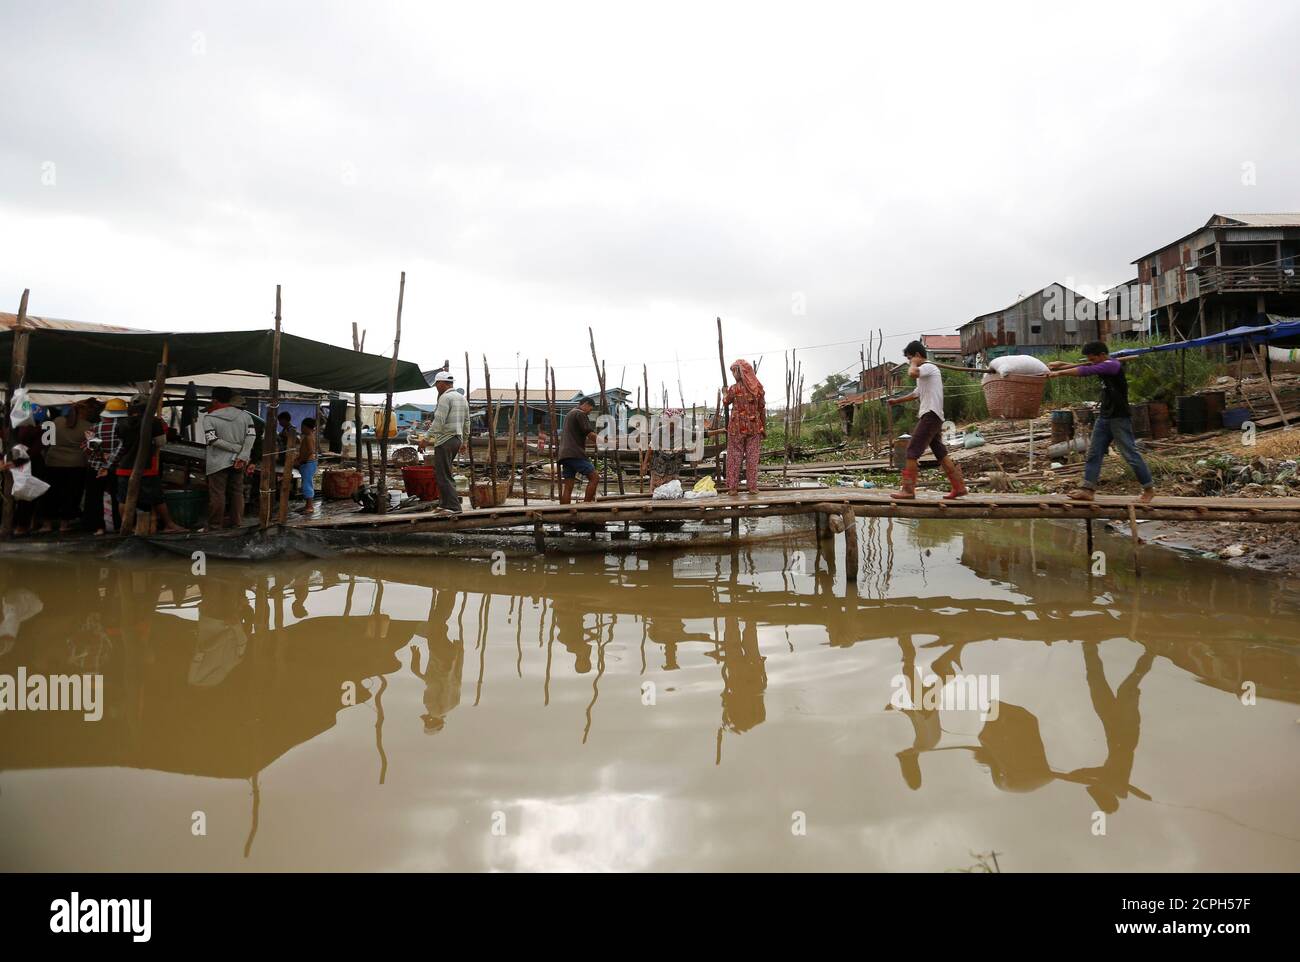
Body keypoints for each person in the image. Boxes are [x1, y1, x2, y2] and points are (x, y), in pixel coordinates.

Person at [1048, 341, 1154, 503]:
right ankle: (1087, 490)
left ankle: (1148, 489)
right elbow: (1087, 366)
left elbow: (1086, 370)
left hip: (1118, 418)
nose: (1091, 361)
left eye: (1093, 358)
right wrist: (1061, 365)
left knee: (1130, 454)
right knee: (1094, 453)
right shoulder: (1102, 364)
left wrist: (1060, 373)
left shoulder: (1113, 365)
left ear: (1102, 355)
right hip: (1104, 417)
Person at [887, 341, 967, 500]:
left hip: (930, 415)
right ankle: (959, 487)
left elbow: (912, 373)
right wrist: (897, 401)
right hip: (933, 416)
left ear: (917, 355)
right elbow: (916, 393)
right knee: (941, 453)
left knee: (911, 450)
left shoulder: (928, 367)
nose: (910, 362)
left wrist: (914, 364)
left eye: (910, 358)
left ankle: (908, 490)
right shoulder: (926, 372)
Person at [116, 395, 186, 532]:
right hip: (146, 467)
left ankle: (127, 526)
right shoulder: (153, 422)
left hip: (124, 467)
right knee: (157, 498)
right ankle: (168, 524)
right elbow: (161, 442)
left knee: (124, 499)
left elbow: (120, 443)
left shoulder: (121, 423)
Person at [203, 386, 257, 529]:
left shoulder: (209, 418)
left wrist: (235, 449)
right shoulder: (246, 417)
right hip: (239, 461)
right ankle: (237, 523)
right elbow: (251, 436)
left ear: (214, 400)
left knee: (217, 494)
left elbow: (212, 440)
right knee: (237, 493)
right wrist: (243, 454)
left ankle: (215, 526)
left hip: (217, 462)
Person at [43, 398, 100, 532]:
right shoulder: (89, 426)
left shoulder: (56, 422)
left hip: (53, 462)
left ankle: (47, 525)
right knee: (71, 495)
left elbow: (46, 442)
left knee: (51, 494)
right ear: (84, 411)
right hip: (77, 465)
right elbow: (95, 448)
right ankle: (64, 525)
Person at [81, 397, 128, 534]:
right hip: (117, 467)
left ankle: (98, 527)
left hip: (95, 467)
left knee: (94, 497)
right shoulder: (124, 428)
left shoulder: (94, 427)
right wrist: (108, 464)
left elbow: (87, 448)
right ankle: (119, 526)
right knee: (118, 497)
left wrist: (101, 460)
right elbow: (122, 448)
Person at [427, 371, 470, 513]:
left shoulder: (445, 398)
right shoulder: (462, 398)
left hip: (445, 440)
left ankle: (453, 507)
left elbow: (438, 421)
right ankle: (444, 505)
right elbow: (467, 422)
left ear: (442, 383)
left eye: (437, 385)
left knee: (443, 475)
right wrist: (464, 441)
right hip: (456, 440)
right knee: (444, 473)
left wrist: (426, 438)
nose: (436, 388)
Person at [722, 359, 765, 496]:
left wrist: (724, 393)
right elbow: (762, 407)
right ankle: (752, 487)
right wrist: (763, 427)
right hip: (754, 428)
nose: (733, 374)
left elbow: (725, 402)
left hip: (736, 428)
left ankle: (733, 488)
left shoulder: (734, 389)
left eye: (735, 371)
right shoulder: (757, 388)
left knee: (734, 457)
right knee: (752, 457)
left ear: (741, 372)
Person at [557, 395, 599, 504]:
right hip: (575, 453)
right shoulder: (580, 413)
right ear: (585, 404)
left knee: (568, 486)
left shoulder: (570, 414)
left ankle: (563, 512)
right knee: (594, 478)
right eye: (590, 409)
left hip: (565, 455)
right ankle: (586, 506)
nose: (590, 412)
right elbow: (589, 433)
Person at [297, 417, 320, 517]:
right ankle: (307, 505)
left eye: (302, 427)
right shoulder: (312, 436)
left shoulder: (308, 437)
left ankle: (310, 506)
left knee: (307, 484)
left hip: (308, 462)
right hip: (309, 462)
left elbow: (310, 451)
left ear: (306, 427)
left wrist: (301, 460)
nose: (301, 429)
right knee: (306, 483)